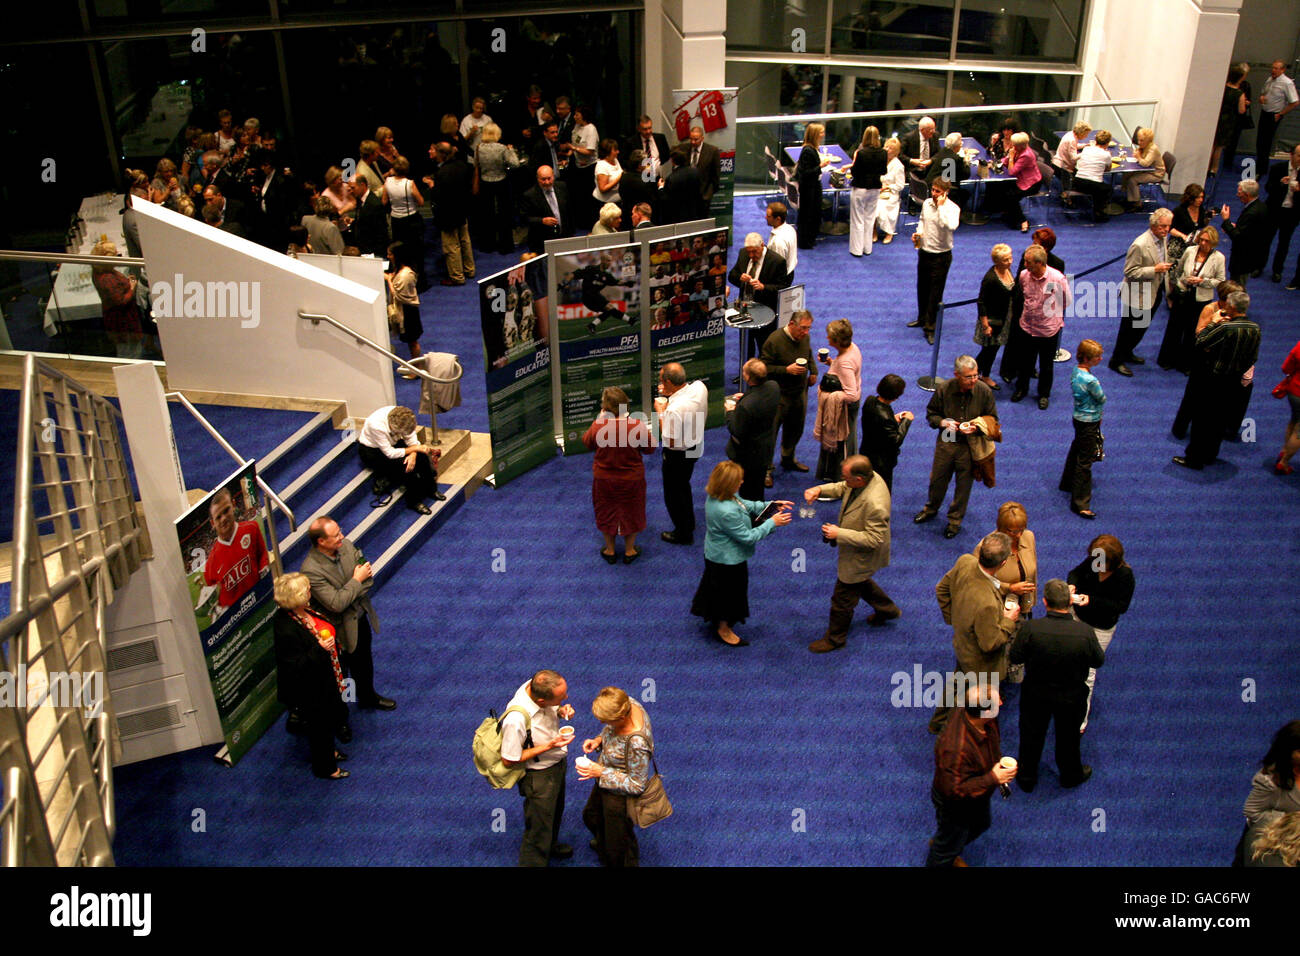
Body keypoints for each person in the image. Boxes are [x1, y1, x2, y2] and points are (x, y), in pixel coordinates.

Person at [1010, 579, 1105, 792]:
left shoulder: (1031, 628)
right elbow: (1098, 661)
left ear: (1044, 602)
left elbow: (1015, 658)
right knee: (1068, 738)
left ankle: (1026, 778)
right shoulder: (1085, 632)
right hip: (1071, 697)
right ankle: (1071, 775)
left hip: (1036, 695)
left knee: (1031, 736)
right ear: (1069, 603)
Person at [689, 460, 792, 646]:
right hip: (727, 560)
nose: (742, 482)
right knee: (729, 595)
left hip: (717, 554)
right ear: (728, 483)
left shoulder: (720, 495)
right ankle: (724, 629)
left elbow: (744, 504)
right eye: (738, 480)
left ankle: (716, 618)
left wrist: (769, 505)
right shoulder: (726, 511)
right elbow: (747, 537)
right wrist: (772, 522)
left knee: (717, 590)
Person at [300, 516, 395, 713]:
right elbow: (336, 604)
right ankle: (342, 713)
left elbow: (368, 579)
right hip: (337, 630)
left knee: (364, 663)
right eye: (336, 535)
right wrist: (356, 580)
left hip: (359, 618)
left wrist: (354, 585)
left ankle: (368, 696)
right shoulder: (311, 570)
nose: (342, 536)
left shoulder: (347, 546)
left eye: (340, 531)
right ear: (322, 541)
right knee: (341, 675)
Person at [805, 455, 899, 653]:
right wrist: (819, 489)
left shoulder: (875, 503)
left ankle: (835, 638)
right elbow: (843, 487)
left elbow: (874, 539)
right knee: (860, 581)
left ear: (859, 480)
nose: (843, 479)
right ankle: (887, 610)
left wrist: (839, 533)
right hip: (855, 552)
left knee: (842, 599)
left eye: (846, 477)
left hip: (862, 554)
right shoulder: (866, 478)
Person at [929, 531, 1020, 734]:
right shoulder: (986, 603)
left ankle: (939, 722)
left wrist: (955, 620)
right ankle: (968, 734)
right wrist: (1008, 621)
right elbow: (990, 643)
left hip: (962, 645)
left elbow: (941, 589)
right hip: (981, 661)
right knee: (977, 699)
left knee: (957, 682)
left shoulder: (965, 561)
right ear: (1003, 563)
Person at [926, 683, 1016, 867]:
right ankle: (943, 855)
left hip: (976, 796)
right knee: (947, 846)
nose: (1001, 702)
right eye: (996, 701)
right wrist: (994, 778)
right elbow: (955, 789)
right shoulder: (955, 748)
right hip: (956, 805)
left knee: (981, 824)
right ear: (984, 712)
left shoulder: (980, 716)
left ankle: (946, 845)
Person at [273, 572, 350, 780]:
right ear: (296, 596)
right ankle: (326, 768)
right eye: (306, 590)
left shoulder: (302, 611)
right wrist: (320, 648)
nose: (310, 591)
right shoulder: (285, 627)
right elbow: (295, 665)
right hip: (310, 690)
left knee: (327, 724)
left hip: (326, 680)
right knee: (319, 729)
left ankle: (329, 752)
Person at [1173, 290, 1260, 470]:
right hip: (1234, 382)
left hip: (1213, 381)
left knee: (1202, 420)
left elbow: (1200, 342)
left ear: (1232, 307)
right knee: (1220, 420)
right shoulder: (1255, 328)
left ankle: (1194, 459)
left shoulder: (1225, 328)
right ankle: (1210, 454)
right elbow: (1252, 358)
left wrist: (1213, 323)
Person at [499, 670, 577, 866]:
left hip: (555, 763)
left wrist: (560, 710)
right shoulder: (515, 719)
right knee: (538, 826)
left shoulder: (535, 686)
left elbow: (554, 707)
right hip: (538, 775)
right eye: (561, 698)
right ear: (541, 701)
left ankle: (550, 844)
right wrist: (548, 746)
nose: (566, 698)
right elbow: (509, 759)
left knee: (554, 811)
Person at [914, 356, 998, 539]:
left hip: (971, 444)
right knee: (937, 479)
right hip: (947, 438)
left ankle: (955, 521)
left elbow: (993, 419)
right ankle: (931, 508)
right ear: (957, 375)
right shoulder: (944, 389)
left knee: (963, 486)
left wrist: (977, 427)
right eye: (969, 377)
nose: (973, 380)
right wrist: (943, 422)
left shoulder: (984, 391)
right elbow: (931, 414)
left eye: (975, 375)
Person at [577, 687, 654, 867]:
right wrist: (599, 740)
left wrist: (601, 772)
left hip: (620, 795)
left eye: (607, 721)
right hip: (606, 776)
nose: (606, 725)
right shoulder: (628, 703)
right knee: (591, 816)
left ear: (621, 718)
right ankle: (604, 843)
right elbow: (610, 730)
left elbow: (637, 785)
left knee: (618, 846)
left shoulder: (637, 744)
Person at [1067, 534, 1135, 732]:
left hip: (1100, 627)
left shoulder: (1124, 576)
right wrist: (1072, 585)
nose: (1095, 563)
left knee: (1087, 673)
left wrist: (1092, 601)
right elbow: (1075, 573)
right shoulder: (1094, 560)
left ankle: (1080, 719)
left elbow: (1121, 606)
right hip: (1078, 616)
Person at [583, 387, 652, 564]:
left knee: (605, 511)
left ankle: (610, 549)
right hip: (632, 480)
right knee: (633, 511)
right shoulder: (637, 425)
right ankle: (630, 550)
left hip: (604, 480)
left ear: (605, 407)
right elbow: (650, 448)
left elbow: (587, 443)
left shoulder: (599, 425)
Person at [1110, 208, 1173, 377]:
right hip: (1137, 294)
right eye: (1163, 226)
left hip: (1154, 291)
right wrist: (1155, 269)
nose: (1166, 230)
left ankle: (1128, 352)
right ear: (1153, 225)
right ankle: (1116, 361)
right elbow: (1130, 272)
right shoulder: (1140, 244)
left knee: (1141, 328)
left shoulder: (1163, 238)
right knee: (1128, 330)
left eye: (1168, 226)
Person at [1011, 244, 1071, 409]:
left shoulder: (1057, 279)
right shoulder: (1024, 275)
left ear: (1039, 263)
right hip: (1027, 328)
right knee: (1024, 363)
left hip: (1048, 331)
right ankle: (1021, 389)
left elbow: (1065, 301)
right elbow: (1023, 294)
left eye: (1028, 262)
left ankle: (1044, 394)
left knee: (1046, 366)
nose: (1025, 265)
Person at [655, 363, 708, 546]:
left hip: (677, 454)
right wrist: (670, 396)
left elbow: (669, 440)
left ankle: (683, 533)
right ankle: (689, 523)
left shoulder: (674, 410)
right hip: (696, 445)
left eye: (662, 380)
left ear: (668, 382)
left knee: (673, 493)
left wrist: (660, 412)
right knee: (683, 485)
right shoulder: (700, 387)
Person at [760, 308, 816, 480]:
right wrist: (786, 370)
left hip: (800, 393)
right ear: (791, 324)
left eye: (808, 328)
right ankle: (766, 469)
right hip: (779, 396)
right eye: (803, 328)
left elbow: (809, 354)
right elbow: (763, 368)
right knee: (771, 434)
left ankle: (788, 458)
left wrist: (813, 371)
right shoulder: (774, 340)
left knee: (795, 429)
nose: (806, 332)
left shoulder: (805, 337)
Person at [1161, 226, 1225, 372]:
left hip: (1201, 298)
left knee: (1192, 331)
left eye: (1207, 241)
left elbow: (1220, 281)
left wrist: (1201, 281)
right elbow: (1178, 270)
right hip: (1183, 294)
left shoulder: (1219, 258)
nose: (1203, 243)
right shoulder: (1190, 251)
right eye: (1201, 240)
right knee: (1175, 327)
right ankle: (1168, 359)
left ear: (1213, 242)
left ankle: (1186, 363)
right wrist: (1180, 283)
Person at [358, 405, 443, 513]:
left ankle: (431, 489)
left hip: (393, 444)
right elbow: (390, 453)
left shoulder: (405, 417)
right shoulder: (376, 425)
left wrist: (413, 454)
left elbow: (411, 440)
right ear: (393, 427)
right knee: (407, 467)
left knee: (423, 458)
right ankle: (414, 501)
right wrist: (415, 449)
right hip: (373, 451)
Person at [1059, 339, 1107, 519]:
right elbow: (1101, 398)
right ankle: (1080, 503)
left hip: (1078, 417)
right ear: (1087, 358)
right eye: (1097, 357)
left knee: (1076, 449)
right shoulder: (1091, 380)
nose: (1100, 359)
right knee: (1085, 462)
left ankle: (1066, 483)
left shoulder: (1075, 371)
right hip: (1090, 421)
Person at [909, 178, 959, 346]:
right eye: (933, 190)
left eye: (938, 191)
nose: (934, 194)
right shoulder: (927, 204)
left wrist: (941, 208)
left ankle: (931, 327)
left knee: (935, 293)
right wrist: (918, 233)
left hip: (941, 255)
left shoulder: (952, 209)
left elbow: (949, 226)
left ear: (946, 192)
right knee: (922, 287)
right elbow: (922, 220)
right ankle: (922, 318)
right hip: (925, 251)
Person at [975, 501, 1038, 632]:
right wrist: (1009, 588)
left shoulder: (1029, 536)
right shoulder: (986, 548)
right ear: (1001, 528)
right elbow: (978, 581)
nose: (1019, 535)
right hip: (998, 609)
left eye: (1022, 529)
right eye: (1014, 531)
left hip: (1022, 602)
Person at [202, 488, 269, 611]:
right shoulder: (210, 565)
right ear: (212, 523)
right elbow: (217, 600)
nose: (223, 518)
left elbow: (262, 555)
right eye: (218, 517)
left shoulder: (252, 529)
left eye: (226, 510)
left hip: (261, 604)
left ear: (233, 505)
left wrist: (264, 569)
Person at [725, 359, 781, 500]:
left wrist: (730, 411)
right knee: (758, 489)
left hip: (747, 455)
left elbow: (736, 430)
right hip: (764, 449)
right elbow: (760, 400)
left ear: (748, 377)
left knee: (748, 492)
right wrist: (744, 398)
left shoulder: (746, 407)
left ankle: (751, 520)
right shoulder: (773, 387)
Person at [729, 233, 789, 358]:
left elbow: (783, 288)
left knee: (764, 346)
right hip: (744, 308)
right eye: (749, 252)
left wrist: (764, 287)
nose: (751, 255)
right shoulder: (743, 254)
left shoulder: (777, 261)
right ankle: (745, 370)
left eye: (754, 252)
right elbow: (731, 275)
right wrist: (740, 278)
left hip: (765, 310)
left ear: (762, 245)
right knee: (746, 343)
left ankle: (763, 373)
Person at [975, 243, 1021, 389]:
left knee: (993, 349)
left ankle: (983, 375)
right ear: (997, 261)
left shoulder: (1007, 270)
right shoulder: (990, 278)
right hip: (991, 321)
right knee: (988, 351)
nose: (1010, 262)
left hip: (1005, 316)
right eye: (1006, 260)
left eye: (1010, 258)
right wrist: (985, 325)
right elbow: (981, 302)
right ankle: (972, 374)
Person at [427, 142, 475, 285]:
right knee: (465, 241)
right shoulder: (462, 165)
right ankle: (469, 269)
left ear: (441, 155)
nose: (430, 152)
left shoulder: (442, 173)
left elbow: (440, 195)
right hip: (462, 210)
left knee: (451, 246)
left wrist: (431, 186)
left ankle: (457, 277)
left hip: (447, 214)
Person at [89, 239, 144, 357]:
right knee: (130, 351)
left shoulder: (100, 271)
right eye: (115, 254)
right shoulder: (107, 279)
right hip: (123, 321)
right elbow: (121, 301)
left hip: (118, 317)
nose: (118, 255)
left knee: (129, 349)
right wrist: (132, 287)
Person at [859, 374, 913, 492]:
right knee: (882, 491)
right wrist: (906, 422)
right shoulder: (885, 417)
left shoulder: (870, 400)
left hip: (866, 452)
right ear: (895, 396)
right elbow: (896, 440)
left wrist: (895, 418)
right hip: (881, 462)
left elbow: (876, 422)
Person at [473, 123, 521, 255]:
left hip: (485, 183)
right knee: (504, 214)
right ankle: (505, 246)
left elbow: (476, 165)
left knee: (487, 215)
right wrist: (511, 150)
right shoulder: (502, 148)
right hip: (501, 183)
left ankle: (488, 245)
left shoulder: (478, 148)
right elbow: (515, 164)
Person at [1243, 721, 1300, 828]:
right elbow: (1252, 811)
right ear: (1287, 751)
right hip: (1284, 839)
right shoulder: (1270, 781)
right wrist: (1290, 821)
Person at [820, 318, 863, 455]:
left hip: (844, 408)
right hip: (850, 403)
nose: (827, 337)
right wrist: (832, 363)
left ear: (837, 341)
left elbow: (852, 395)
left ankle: (839, 474)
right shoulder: (853, 347)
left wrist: (832, 397)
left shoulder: (844, 362)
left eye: (830, 336)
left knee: (842, 443)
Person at [382, 156, 426, 287]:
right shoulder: (409, 184)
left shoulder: (387, 182)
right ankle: (420, 281)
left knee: (400, 251)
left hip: (396, 221)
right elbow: (421, 202)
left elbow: (384, 201)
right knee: (416, 251)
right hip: (410, 220)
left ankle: (400, 279)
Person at [844, 126, 887, 257]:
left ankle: (856, 250)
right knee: (869, 218)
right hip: (875, 188)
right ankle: (867, 248)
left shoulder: (861, 153)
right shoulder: (883, 153)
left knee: (857, 219)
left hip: (860, 188)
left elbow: (854, 171)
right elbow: (883, 171)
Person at [1220, 180, 1270, 285]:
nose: (1237, 195)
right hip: (1251, 255)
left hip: (1243, 258)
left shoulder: (1251, 212)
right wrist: (1236, 227)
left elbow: (1238, 237)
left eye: (1239, 193)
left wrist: (1226, 221)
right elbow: (1250, 230)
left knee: (1237, 288)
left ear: (1247, 195)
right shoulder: (1261, 206)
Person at [385, 242, 424, 367]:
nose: (388, 256)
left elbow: (399, 296)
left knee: (412, 341)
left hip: (408, 312)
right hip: (405, 310)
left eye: (390, 254)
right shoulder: (399, 269)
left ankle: (417, 369)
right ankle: (415, 365)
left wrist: (389, 281)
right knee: (410, 341)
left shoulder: (406, 275)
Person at [795, 123, 833, 249]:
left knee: (814, 212)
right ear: (815, 134)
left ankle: (809, 238)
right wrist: (820, 166)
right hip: (808, 187)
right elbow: (805, 172)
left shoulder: (813, 148)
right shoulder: (808, 150)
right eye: (821, 132)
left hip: (814, 185)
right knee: (808, 214)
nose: (823, 135)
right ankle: (805, 241)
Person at [1256, 60, 1299, 171]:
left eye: (1276, 68)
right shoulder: (1270, 79)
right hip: (1264, 112)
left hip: (1274, 115)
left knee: (1266, 141)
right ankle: (1259, 163)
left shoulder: (1287, 83)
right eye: (1273, 67)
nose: (1273, 70)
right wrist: (1262, 97)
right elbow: (1264, 92)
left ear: (1283, 70)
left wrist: (1281, 113)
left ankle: (1262, 168)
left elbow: (1295, 102)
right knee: (1260, 140)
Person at [1266, 143, 1300, 283]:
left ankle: (1277, 270)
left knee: (1284, 243)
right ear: (1291, 155)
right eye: (1299, 155)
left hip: (1291, 213)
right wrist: (1280, 183)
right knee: (1266, 239)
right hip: (1275, 210)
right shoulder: (1278, 168)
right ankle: (1259, 266)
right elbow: (1268, 188)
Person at [518, 165, 570, 253]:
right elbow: (524, 218)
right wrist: (542, 221)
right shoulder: (529, 195)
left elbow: (569, 212)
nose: (547, 182)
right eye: (543, 179)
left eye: (549, 178)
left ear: (553, 176)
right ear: (537, 179)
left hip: (563, 237)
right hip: (541, 241)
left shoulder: (562, 187)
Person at [1212, 65, 1250, 176]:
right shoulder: (1239, 94)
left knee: (1213, 144)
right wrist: (1245, 103)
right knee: (1219, 147)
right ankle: (1214, 169)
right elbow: (1241, 110)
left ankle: (1207, 166)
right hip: (1228, 121)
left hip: (1218, 117)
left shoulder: (1223, 88)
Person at [1002, 132, 1042, 231]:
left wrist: (1010, 157)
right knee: (1001, 187)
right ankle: (1008, 212)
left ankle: (1022, 220)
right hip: (1021, 179)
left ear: (1019, 145)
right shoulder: (1017, 150)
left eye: (1013, 144)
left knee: (1011, 196)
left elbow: (1011, 171)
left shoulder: (1026, 155)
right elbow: (1005, 161)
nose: (1011, 145)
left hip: (1031, 183)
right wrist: (1001, 161)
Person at [1073, 129, 1115, 222]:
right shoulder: (1106, 155)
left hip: (1077, 182)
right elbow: (1108, 169)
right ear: (1107, 143)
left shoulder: (1086, 149)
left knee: (1099, 188)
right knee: (1108, 189)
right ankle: (1099, 212)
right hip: (1093, 185)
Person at [1122, 128, 1165, 211]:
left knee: (1133, 180)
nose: (1139, 143)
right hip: (1148, 170)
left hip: (1155, 173)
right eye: (1139, 140)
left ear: (1148, 141)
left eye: (1142, 141)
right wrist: (1139, 153)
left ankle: (1137, 204)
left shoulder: (1153, 149)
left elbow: (1146, 163)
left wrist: (1138, 157)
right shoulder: (1145, 146)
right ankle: (1127, 195)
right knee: (1127, 173)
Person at [1274, 338, 1300, 474]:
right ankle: (1284, 462)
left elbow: (1286, 367)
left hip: (1294, 392)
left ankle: (1284, 450)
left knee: (1294, 420)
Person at [900, 116, 939, 205]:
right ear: (922, 130)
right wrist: (912, 161)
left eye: (934, 128)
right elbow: (900, 155)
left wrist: (930, 161)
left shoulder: (935, 136)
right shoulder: (908, 138)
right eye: (930, 129)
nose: (933, 131)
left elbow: (938, 153)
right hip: (913, 170)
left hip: (929, 170)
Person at [683, 126, 721, 207]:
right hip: (686, 198)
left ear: (702, 138)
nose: (693, 142)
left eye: (696, 139)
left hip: (704, 197)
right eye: (691, 139)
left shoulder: (712, 151)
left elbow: (716, 177)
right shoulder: (684, 149)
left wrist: (708, 195)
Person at [876, 137, 906, 244]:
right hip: (877, 188)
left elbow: (900, 185)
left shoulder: (898, 166)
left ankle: (889, 232)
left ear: (896, 151)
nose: (888, 150)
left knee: (881, 206)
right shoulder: (879, 161)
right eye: (886, 147)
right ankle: (873, 230)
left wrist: (888, 187)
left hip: (891, 193)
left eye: (891, 148)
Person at [1053, 121, 1091, 190]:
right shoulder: (1072, 140)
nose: (1087, 136)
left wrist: (1085, 145)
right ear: (1081, 132)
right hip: (1064, 168)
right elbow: (1074, 158)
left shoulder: (1070, 134)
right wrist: (1086, 152)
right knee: (1084, 180)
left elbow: (1073, 147)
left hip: (1058, 163)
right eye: (1086, 134)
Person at [764, 202, 798, 279]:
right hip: (790, 271)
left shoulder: (778, 242)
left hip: (780, 277)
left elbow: (777, 266)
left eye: (768, 216)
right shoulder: (790, 228)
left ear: (778, 219)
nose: (765, 217)